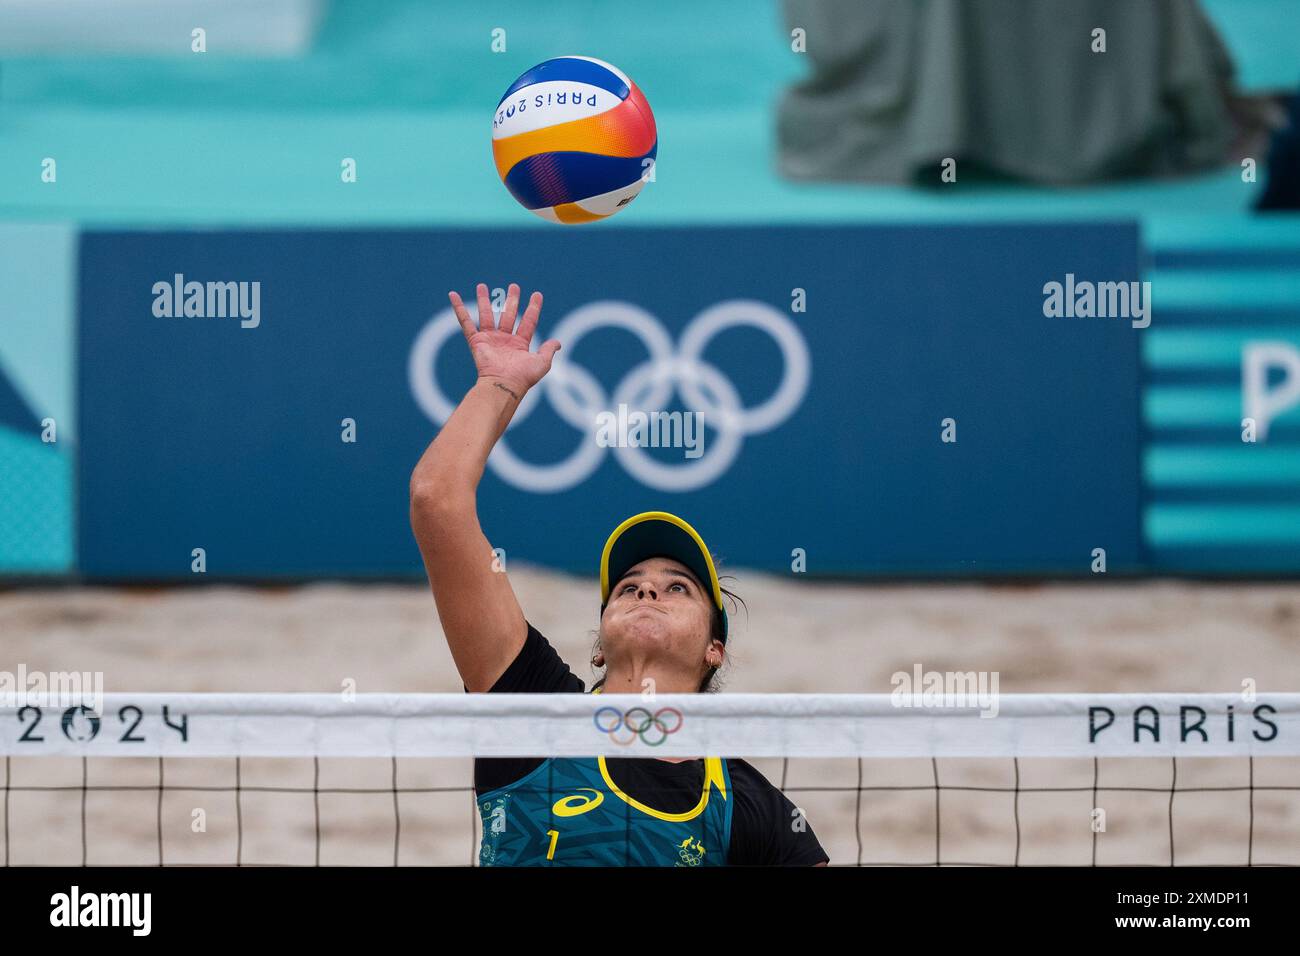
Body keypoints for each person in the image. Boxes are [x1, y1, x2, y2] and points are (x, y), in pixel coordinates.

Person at [409, 282, 830, 866]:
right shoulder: (534, 708)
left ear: (714, 648)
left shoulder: (749, 807)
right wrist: (498, 386)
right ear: (599, 648)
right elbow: (437, 499)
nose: (647, 588)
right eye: (628, 587)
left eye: (677, 586)